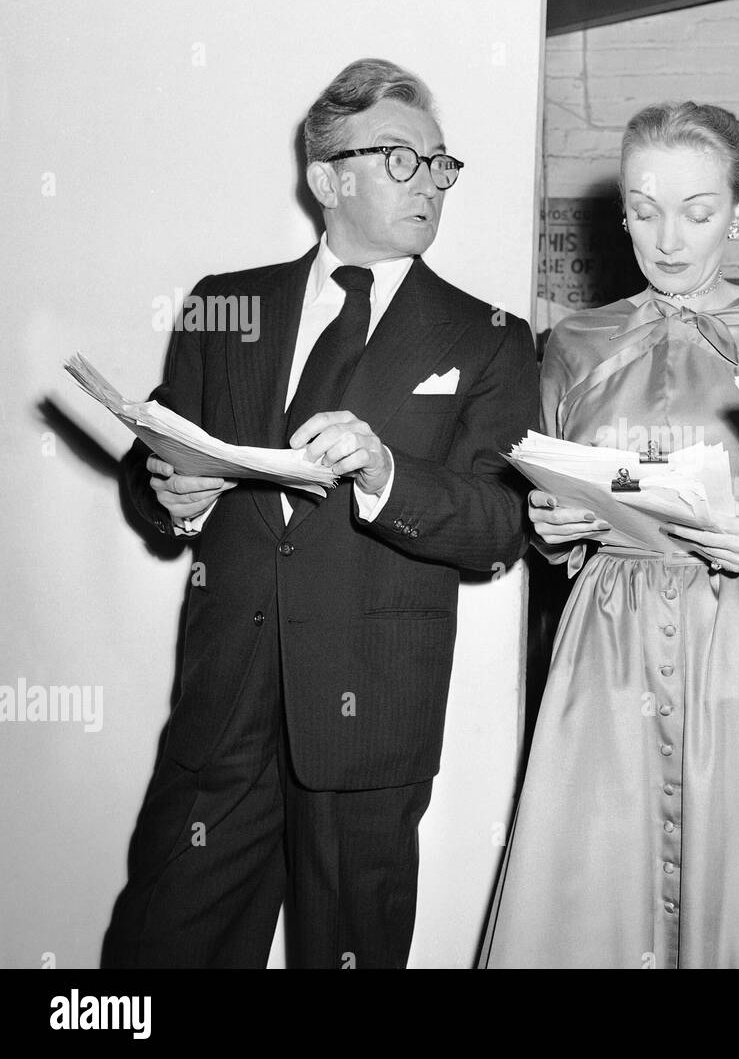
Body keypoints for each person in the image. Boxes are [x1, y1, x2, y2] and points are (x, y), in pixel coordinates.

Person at [102, 58, 538, 969]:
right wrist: (167, 492)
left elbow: (501, 524)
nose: (431, 183)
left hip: (370, 719)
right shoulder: (225, 305)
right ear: (328, 178)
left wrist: (385, 472)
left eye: (440, 164)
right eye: (402, 160)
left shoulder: (489, 337)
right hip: (222, 710)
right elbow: (155, 456)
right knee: (159, 952)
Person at [480, 101, 739, 968]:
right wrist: (550, 526)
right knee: (594, 891)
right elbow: (552, 503)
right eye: (645, 208)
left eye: (698, 211)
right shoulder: (573, 342)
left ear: (738, 210)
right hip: (607, 649)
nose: (668, 238)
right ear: (621, 209)